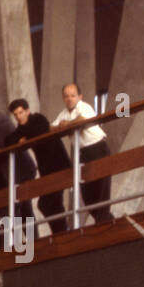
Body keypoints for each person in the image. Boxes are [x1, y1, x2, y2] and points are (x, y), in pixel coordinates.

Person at [52, 84, 112, 225]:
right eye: (66, 96)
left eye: (73, 95)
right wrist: (61, 125)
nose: (69, 99)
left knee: (101, 192)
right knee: (88, 196)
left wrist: (67, 125)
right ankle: (109, 222)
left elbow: (82, 120)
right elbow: (51, 127)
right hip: (83, 153)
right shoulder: (63, 114)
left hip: (98, 148)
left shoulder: (84, 106)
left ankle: (105, 225)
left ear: (80, 97)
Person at [9, 98, 69, 235]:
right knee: (48, 203)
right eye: (16, 114)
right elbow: (10, 140)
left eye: (21, 113)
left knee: (49, 202)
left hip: (59, 165)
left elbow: (40, 131)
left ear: (27, 111)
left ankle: (63, 231)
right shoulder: (21, 128)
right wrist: (21, 138)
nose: (19, 117)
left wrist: (25, 138)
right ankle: (61, 232)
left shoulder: (38, 118)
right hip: (47, 170)